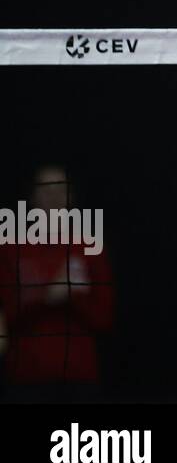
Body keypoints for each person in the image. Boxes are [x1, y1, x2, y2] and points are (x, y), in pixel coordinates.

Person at [0, 165, 113, 402]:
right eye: (45, 189)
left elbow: (105, 317)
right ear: (33, 197)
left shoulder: (89, 247)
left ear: (70, 197)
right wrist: (45, 297)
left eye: (60, 189)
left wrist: (72, 294)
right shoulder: (10, 249)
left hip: (79, 379)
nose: (53, 197)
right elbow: (5, 314)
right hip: (26, 379)